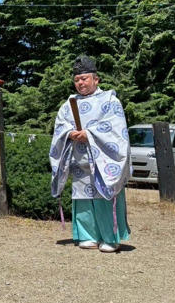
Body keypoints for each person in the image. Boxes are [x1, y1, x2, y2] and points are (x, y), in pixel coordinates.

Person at [49, 55, 131, 252]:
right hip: (80, 161)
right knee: (82, 198)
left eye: (84, 78)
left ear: (96, 79)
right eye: (77, 80)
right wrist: (69, 133)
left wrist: (90, 134)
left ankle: (110, 238)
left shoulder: (110, 100)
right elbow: (61, 125)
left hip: (103, 161)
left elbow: (115, 128)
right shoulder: (69, 104)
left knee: (105, 196)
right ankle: (87, 236)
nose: (80, 83)